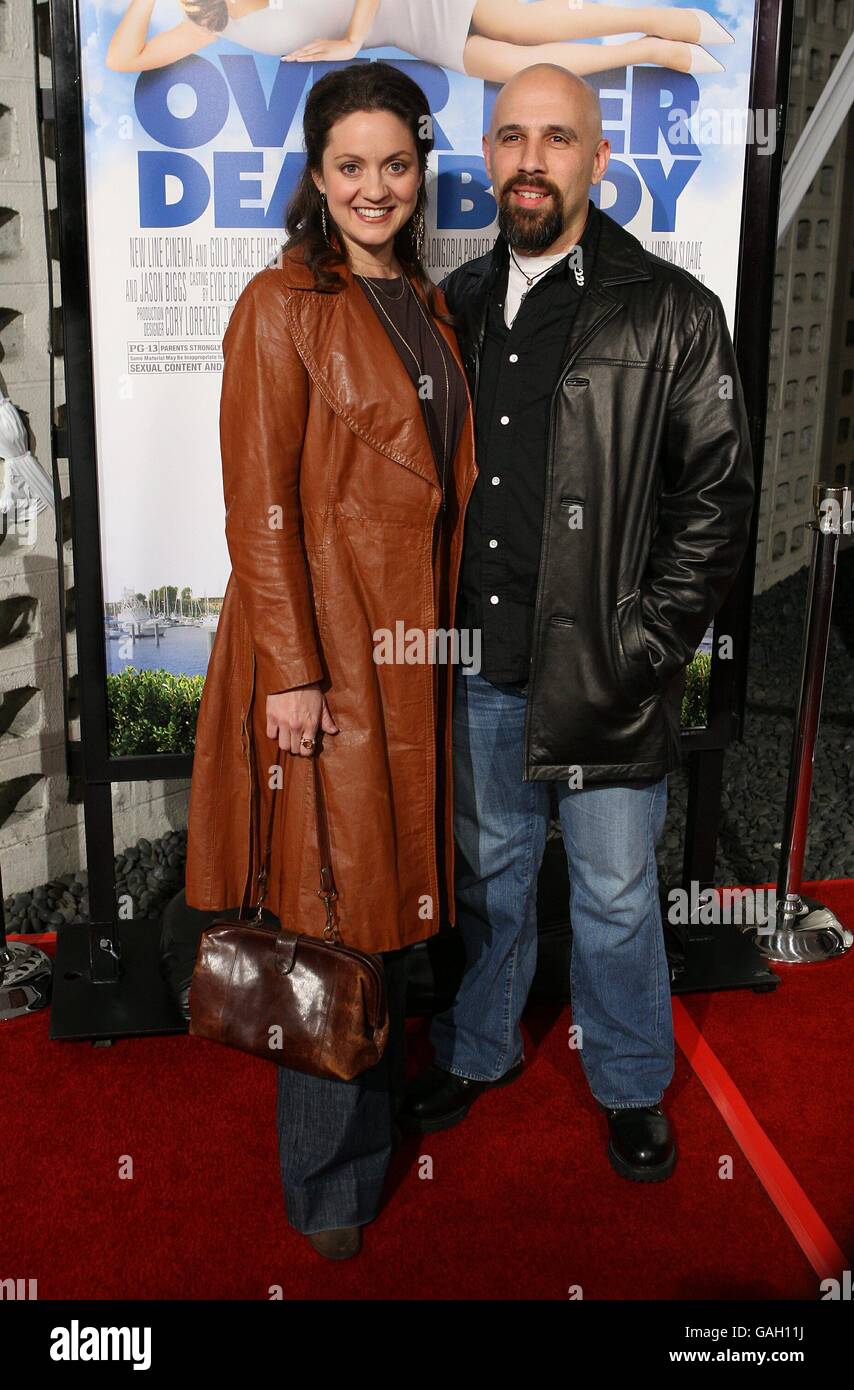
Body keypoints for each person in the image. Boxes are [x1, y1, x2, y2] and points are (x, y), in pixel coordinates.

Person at [398, 62, 756, 1183]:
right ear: (486, 157)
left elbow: (716, 498)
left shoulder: (669, 309)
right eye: (509, 138)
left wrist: (646, 643)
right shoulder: (449, 308)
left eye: (556, 139)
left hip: (608, 673)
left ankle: (629, 1081)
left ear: (597, 159)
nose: (529, 160)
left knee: (609, 894)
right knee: (491, 878)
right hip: (482, 665)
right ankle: (477, 1046)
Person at [184, 60, 476, 1258]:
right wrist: (293, 674)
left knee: (388, 900)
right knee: (329, 911)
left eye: (395, 164)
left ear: (418, 167)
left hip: (411, 652)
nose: (375, 186)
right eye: (349, 167)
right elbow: (257, 508)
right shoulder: (279, 303)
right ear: (315, 175)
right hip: (329, 655)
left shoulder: (422, 297)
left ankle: (372, 1103)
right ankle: (328, 1182)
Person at [105, 0, 734, 78]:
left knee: (534, 26)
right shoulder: (216, 23)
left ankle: (670, 21)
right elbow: (124, 59)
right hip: (413, 39)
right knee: (521, 71)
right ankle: (655, 49)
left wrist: (351, 40)